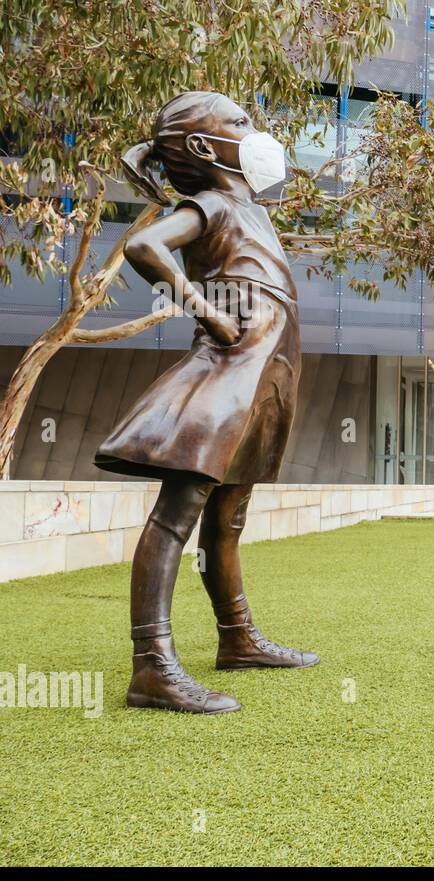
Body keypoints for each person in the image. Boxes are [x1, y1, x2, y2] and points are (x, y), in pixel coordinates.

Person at [99, 91, 318, 714]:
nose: (257, 134)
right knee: (179, 511)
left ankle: (238, 638)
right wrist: (207, 313)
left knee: (229, 515)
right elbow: (145, 248)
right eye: (241, 123)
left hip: (266, 365)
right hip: (229, 363)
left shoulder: (250, 209)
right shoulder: (214, 203)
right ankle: (152, 667)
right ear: (202, 146)